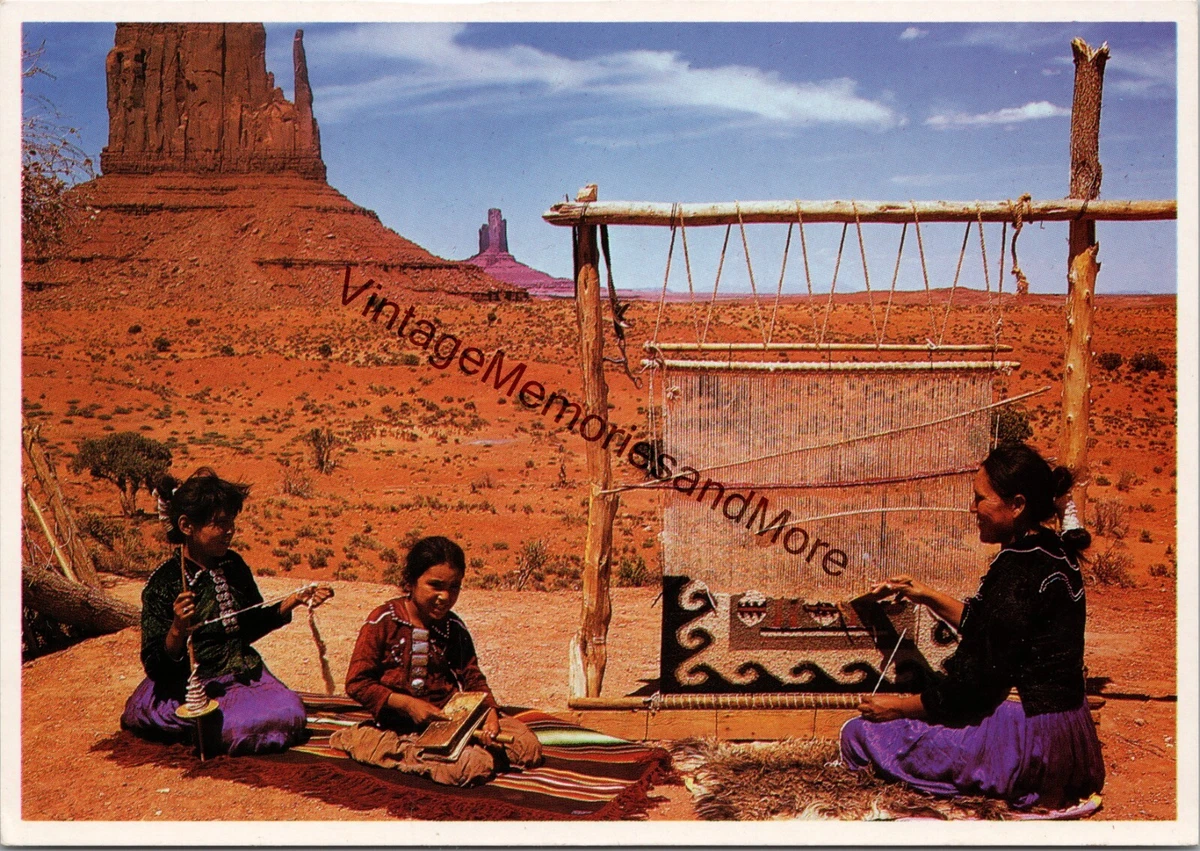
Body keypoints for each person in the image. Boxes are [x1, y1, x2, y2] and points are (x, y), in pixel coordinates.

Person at [839, 443, 1105, 810]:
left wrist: (898, 707)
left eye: (980, 499)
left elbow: (971, 688)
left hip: (1024, 746)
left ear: (1017, 504)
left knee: (861, 735)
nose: (972, 508)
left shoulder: (1016, 571)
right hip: (1069, 738)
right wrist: (924, 594)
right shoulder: (1054, 552)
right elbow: (997, 628)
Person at [121, 468, 333, 755]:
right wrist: (177, 629)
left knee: (291, 714)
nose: (230, 530)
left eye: (231, 522)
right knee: (239, 726)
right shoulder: (164, 583)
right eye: (220, 524)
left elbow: (247, 626)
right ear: (186, 526)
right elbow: (156, 666)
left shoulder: (233, 566)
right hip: (192, 684)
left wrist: (294, 600)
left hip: (244, 674)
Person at [332, 535, 542, 786]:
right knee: (471, 767)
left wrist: (490, 716)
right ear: (410, 581)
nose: (445, 596)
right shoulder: (382, 621)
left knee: (527, 748)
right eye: (436, 586)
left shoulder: (454, 627)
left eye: (454, 587)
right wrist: (409, 705)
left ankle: (462, 753)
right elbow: (358, 683)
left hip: (450, 721)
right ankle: (421, 753)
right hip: (398, 725)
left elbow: (472, 677)